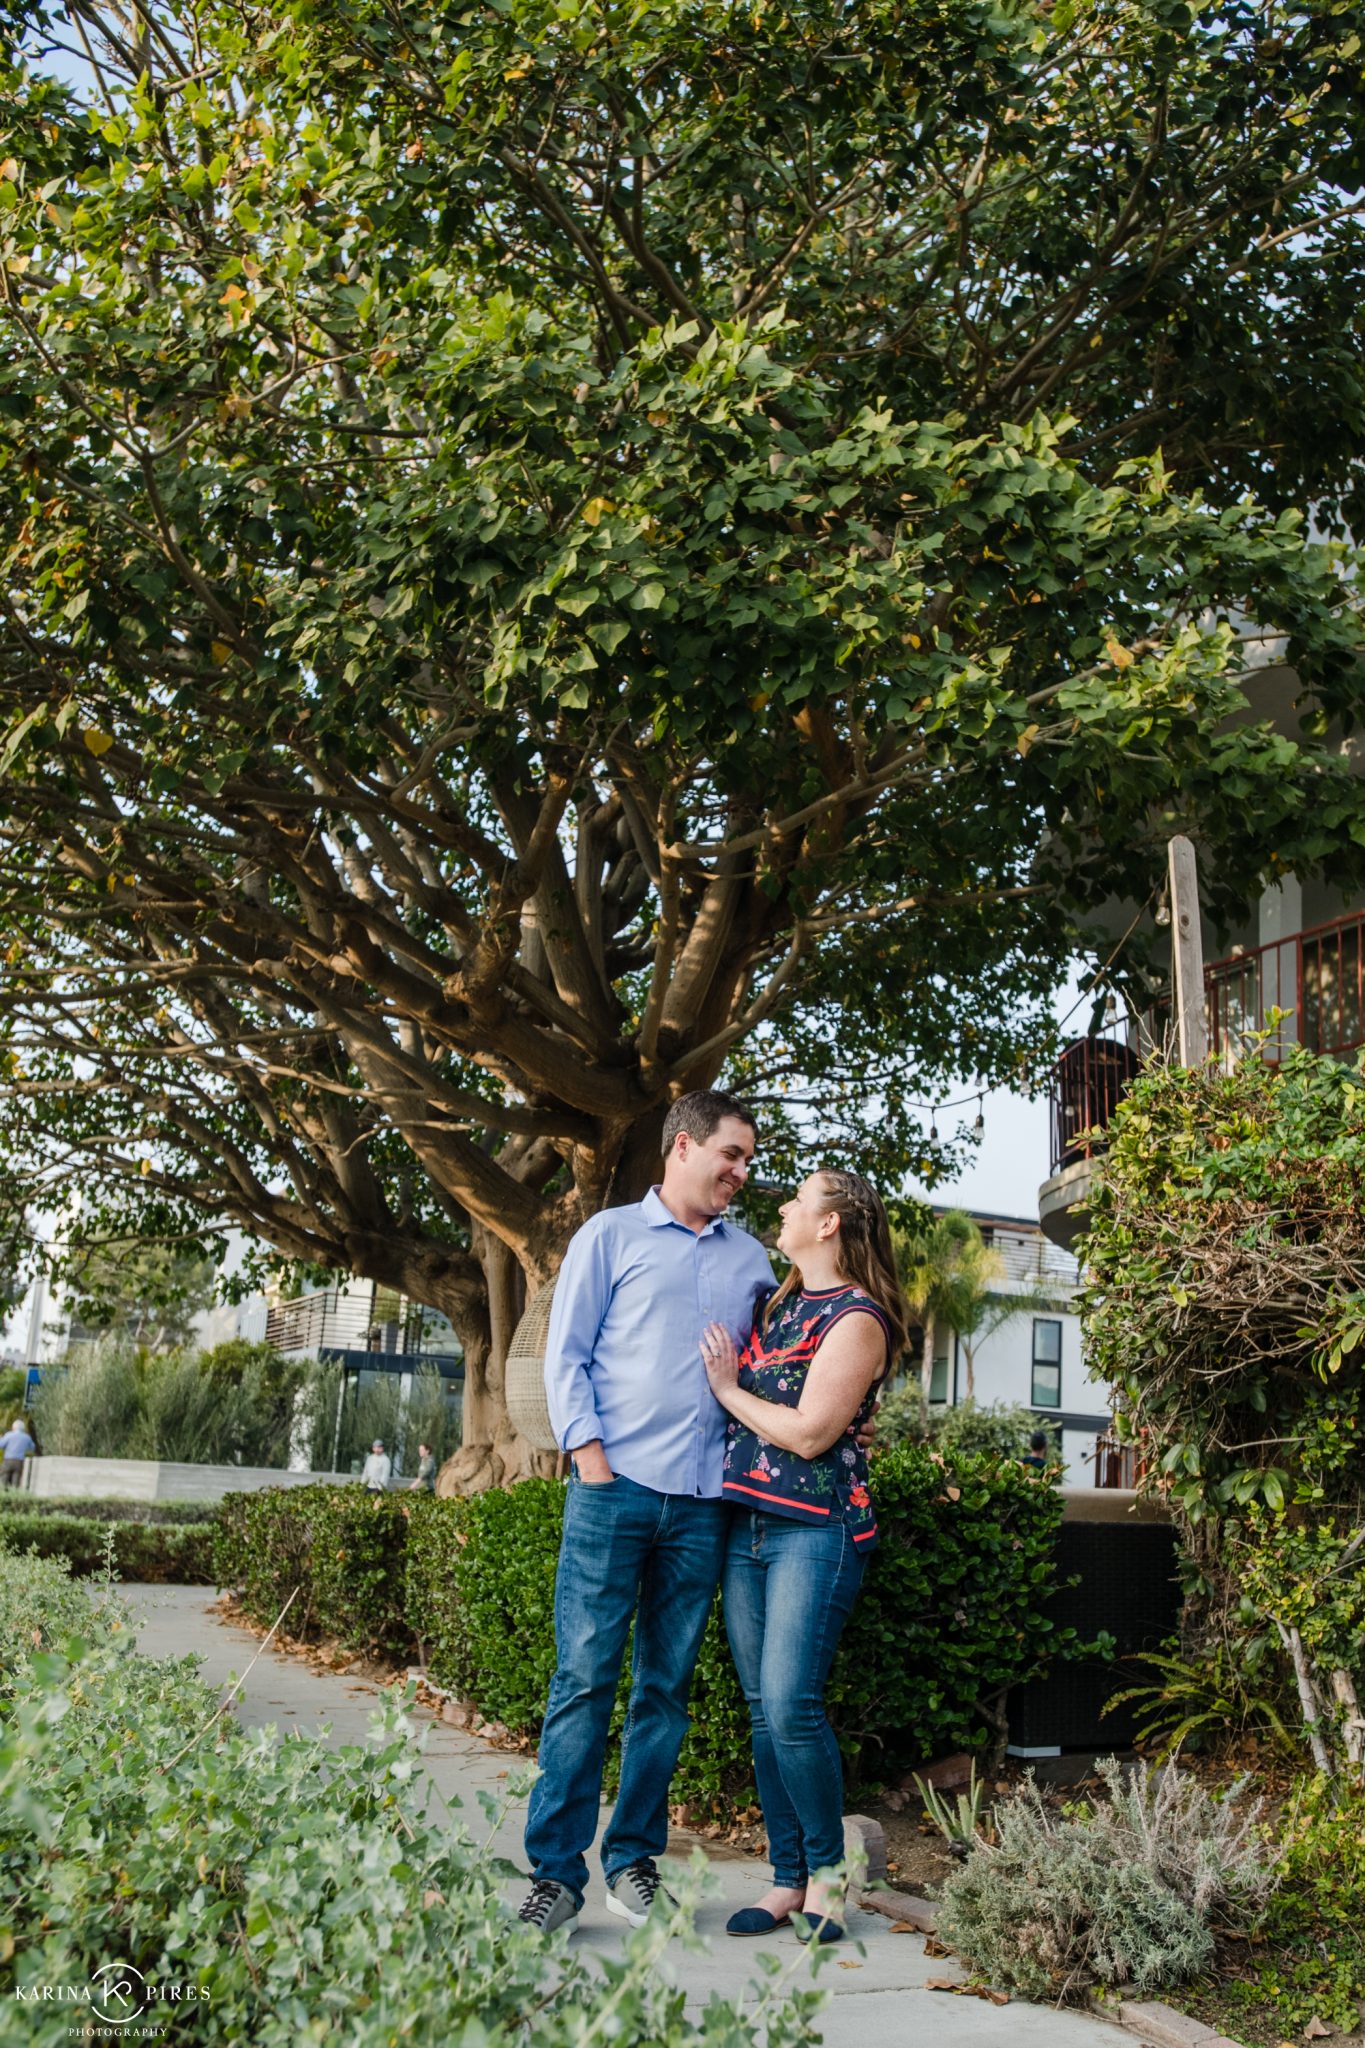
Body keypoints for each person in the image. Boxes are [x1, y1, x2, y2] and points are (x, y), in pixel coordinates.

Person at [516, 1089, 775, 1938]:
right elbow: (568, 1355)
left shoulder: (752, 1264)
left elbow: (776, 1370)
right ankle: (554, 1876)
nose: (741, 1172)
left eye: (746, 1159)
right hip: (613, 1491)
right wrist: (590, 1459)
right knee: (583, 1684)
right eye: (730, 1155)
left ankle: (631, 1863)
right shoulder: (609, 1236)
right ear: (683, 1146)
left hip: (704, 1508)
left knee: (664, 1693)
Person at [700, 1168, 907, 1946]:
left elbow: (812, 1433)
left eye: (798, 1198)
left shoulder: (857, 1319)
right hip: (745, 1526)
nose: (783, 1206)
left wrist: (727, 1389)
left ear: (830, 1224)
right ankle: (786, 1881)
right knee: (762, 1712)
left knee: (790, 1703)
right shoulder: (780, 1305)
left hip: (813, 1531)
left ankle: (828, 1878)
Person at [1, 1416, 35, 1488]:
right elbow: (32, 1447)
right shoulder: (26, 1437)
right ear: (23, 1429)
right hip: (19, 1461)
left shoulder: (9, 1435)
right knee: (15, 1482)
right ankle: (13, 1496)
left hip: (8, 1460)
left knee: (4, 1479)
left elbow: (1, 1445)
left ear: (13, 1428)